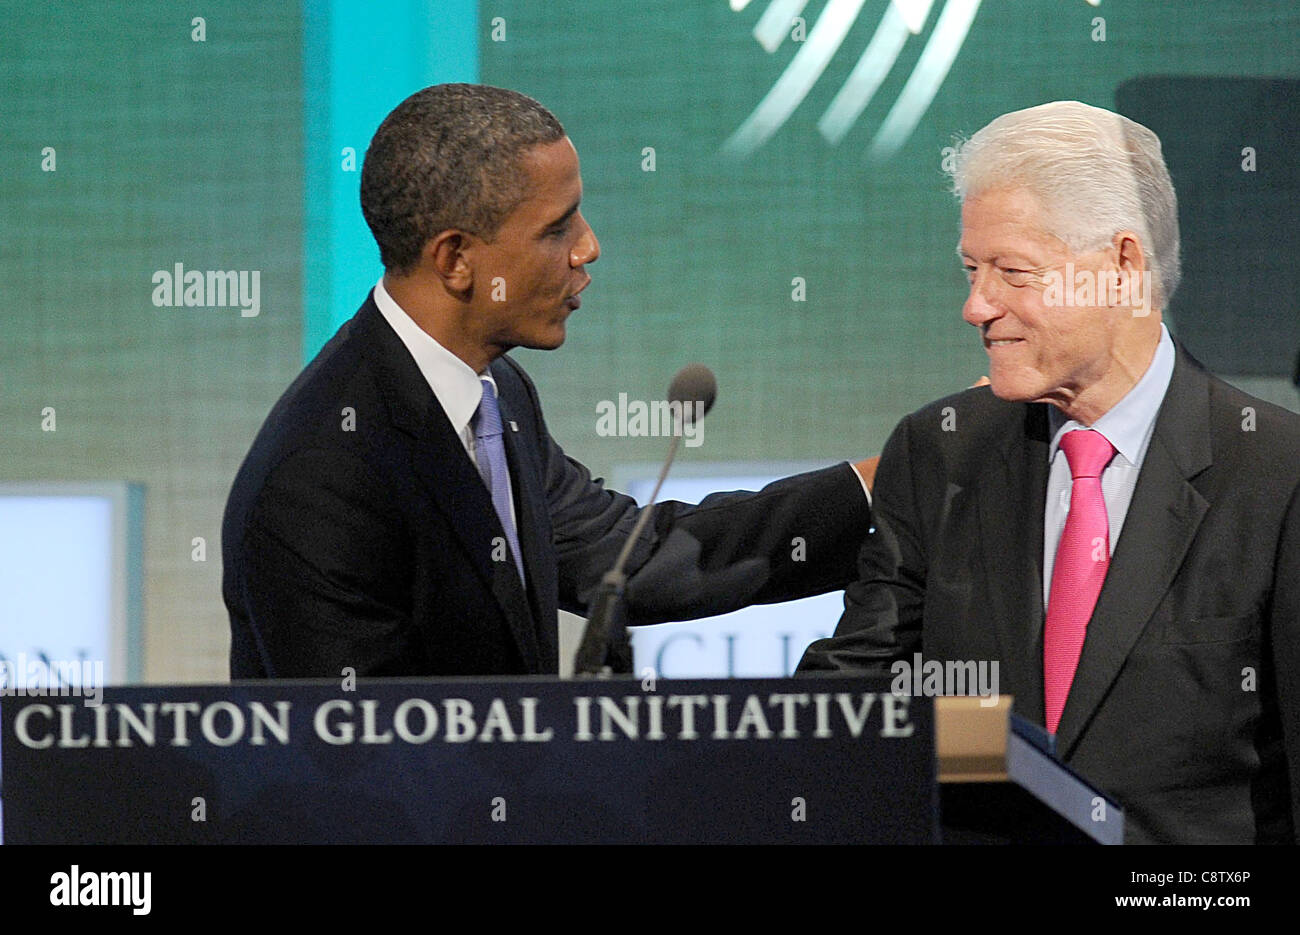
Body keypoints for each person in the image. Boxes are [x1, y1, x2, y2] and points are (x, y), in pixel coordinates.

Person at [223, 84, 873, 680]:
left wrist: (881, 486)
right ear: (455, 259)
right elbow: (371, 770)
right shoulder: (321, 479)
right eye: (558, 227)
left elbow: (628, 558)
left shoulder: (498, 392)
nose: (587, 247)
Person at [800, 101, 1300, 844]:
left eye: (1013, 272)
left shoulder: (1274, 471)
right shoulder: (938, 454)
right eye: (972, 269)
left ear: (1123, 266)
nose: (976, 305)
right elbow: (856, 701)